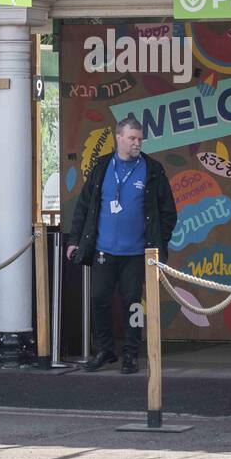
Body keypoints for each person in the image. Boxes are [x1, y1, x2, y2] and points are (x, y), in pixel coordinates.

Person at [67, 117, 177, 374]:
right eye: (132, 138)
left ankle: (130, 353)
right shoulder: (102, 166)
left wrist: (158, 244)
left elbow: (168, 212)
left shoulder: (152, 169)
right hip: (103, 250)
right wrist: (75, 240)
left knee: (133, 303)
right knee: (98, 298)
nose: (137, 143)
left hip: (137, 253)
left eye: (140, 139)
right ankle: (105, 349)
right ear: (119, 138)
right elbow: (84, 206)